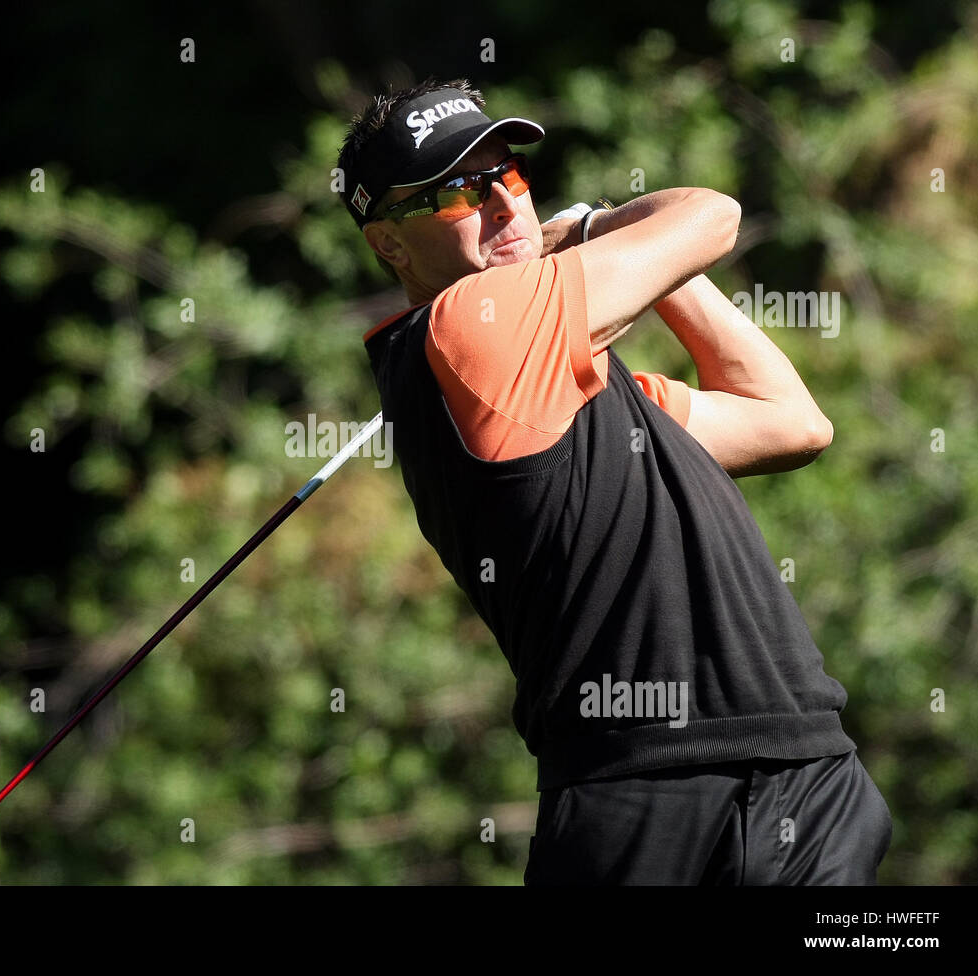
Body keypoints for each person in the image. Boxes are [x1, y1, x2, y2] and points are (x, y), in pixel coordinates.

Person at [338, 77, 892, 884]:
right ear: (390, 244)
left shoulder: (574, 385)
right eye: (457, 193)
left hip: (805, 773)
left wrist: (650, 267)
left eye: (507, 174)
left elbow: (789, 421)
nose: (503, 204)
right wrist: (598, 226)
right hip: (644, 792)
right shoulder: (470, 330)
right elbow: (712, 215)